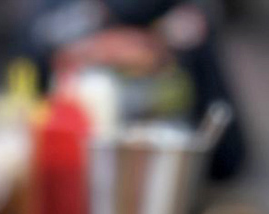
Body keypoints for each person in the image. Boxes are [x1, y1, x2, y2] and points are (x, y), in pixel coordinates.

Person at [19, 0, 247, 179]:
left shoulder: (188, 21)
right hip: (72, 176)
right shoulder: (55, 20)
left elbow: (229, 154)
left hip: (166, 181)